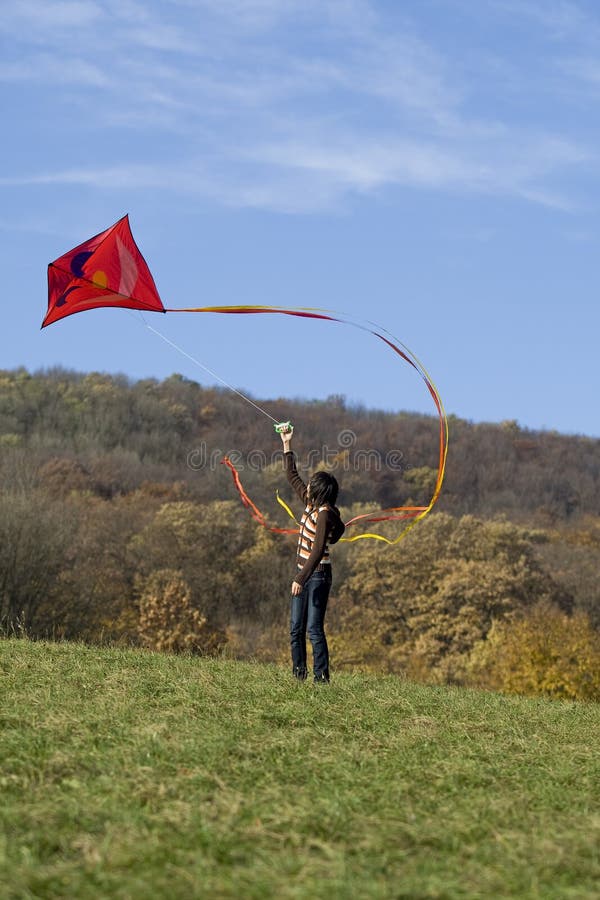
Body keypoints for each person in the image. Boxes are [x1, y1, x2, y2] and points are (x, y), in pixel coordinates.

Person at [280, 426, 345, 684]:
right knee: (295, 629)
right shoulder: (310, 503)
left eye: (311, 486)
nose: (306, 486)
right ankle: (299, 676)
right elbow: (291, 475)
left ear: (320, 492)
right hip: (305, 575)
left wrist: (300, 577)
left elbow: (318, 551)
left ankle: (321, 679)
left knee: (313, 630)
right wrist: (287, 444)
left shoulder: (325, 514)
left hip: (316, 577)